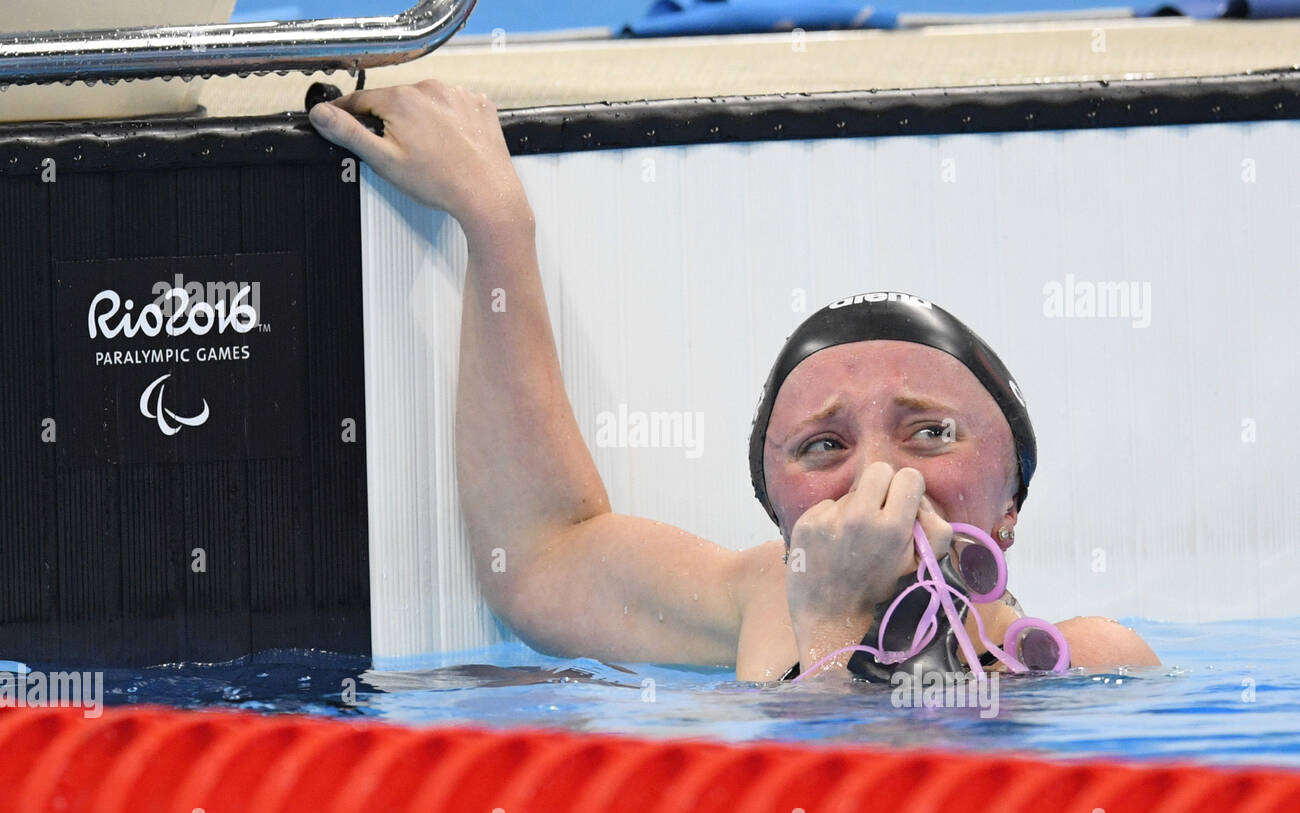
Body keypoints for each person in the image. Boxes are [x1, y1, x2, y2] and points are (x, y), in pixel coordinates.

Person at [308, 79, 1161, 682]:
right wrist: (495, 222)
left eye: (930, 431)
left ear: (1013, 500)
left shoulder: (1092, 665)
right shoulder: (761, 598)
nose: (878, 478)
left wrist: (831, 624)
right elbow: (542, 556)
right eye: (822, 446)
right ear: (780, 516)